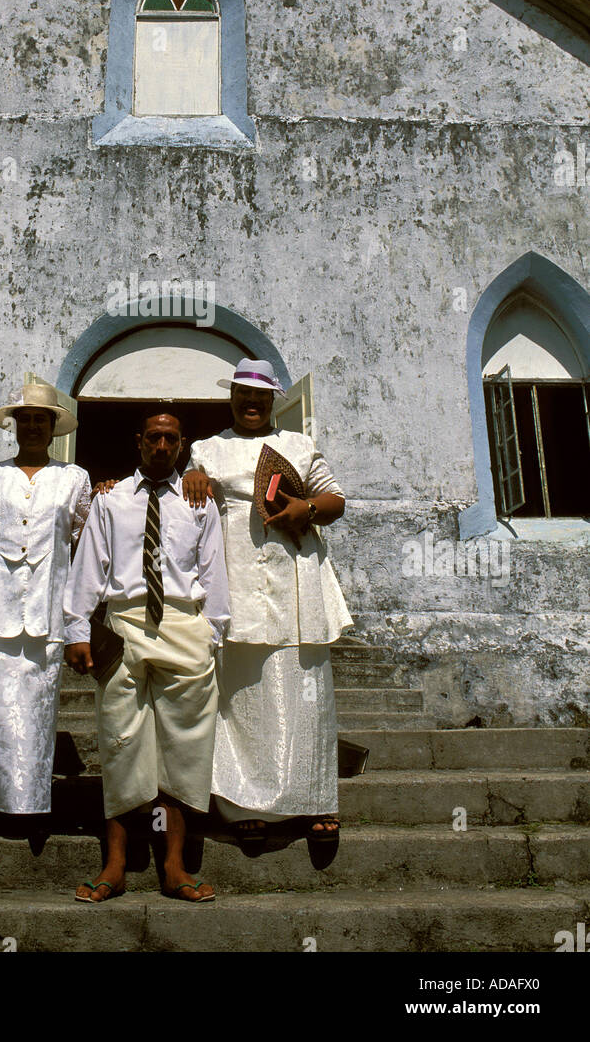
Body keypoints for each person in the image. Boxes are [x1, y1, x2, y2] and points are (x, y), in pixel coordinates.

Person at [181, 358, 351, 861]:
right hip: (234, 574)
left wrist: (310, 509)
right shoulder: (206, 449)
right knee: (241, 690)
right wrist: (192, 478)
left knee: (303, 688)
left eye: (260, 397)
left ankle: (316, 799)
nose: (251, 404)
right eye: (242, 395)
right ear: (231, 396)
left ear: (274, 400)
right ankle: (241, 802)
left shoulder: (299, 446)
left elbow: (336, 499)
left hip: (296, 574)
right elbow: (190, 499)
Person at [64, 408, 230, 903]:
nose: (162, 446)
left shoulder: (199, 502)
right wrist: (76, 628)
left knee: (186, 747)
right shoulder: (110, 500)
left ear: (182, 447)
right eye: (154, 438)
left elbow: (214, 573)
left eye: (171, 440)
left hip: (183, 623)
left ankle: (174, 866)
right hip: (126, 623)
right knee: (120, 740)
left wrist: (212, 634)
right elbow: (89, 566)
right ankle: (115, 863)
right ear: (139, 442)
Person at [0, 380, 92, 847]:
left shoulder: (74, 479)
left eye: (40, 419)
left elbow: (88, 545)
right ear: (14, 425)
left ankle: (30, 802)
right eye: (24, 418)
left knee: (37, 707)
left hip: (46, 611)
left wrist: (81, 617)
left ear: (52, 428)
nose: (32, 426)